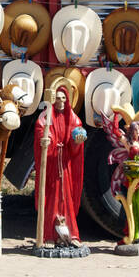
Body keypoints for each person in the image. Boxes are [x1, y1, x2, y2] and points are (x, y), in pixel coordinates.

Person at [34, 81, 86, 246]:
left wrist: (77, 142)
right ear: (52, 99)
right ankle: (48, 236)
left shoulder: (74, 119)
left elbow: (76, 143)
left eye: (64, 98)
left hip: (65, 166)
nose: (61, 101)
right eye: (57, 98)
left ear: (68, 99)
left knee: (67, 200)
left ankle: (73, 235)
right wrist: (45, 142)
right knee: (51, 200)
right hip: (51, 166)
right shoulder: (45, 118)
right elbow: (41, 132)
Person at [102, 104, 139, 244]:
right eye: (136, 128)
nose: (138, 130)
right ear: (131, 130)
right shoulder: (127, 143)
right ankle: (134, 233)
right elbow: (116, 131)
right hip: (130, 178)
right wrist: (116, 115)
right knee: (131, 203)